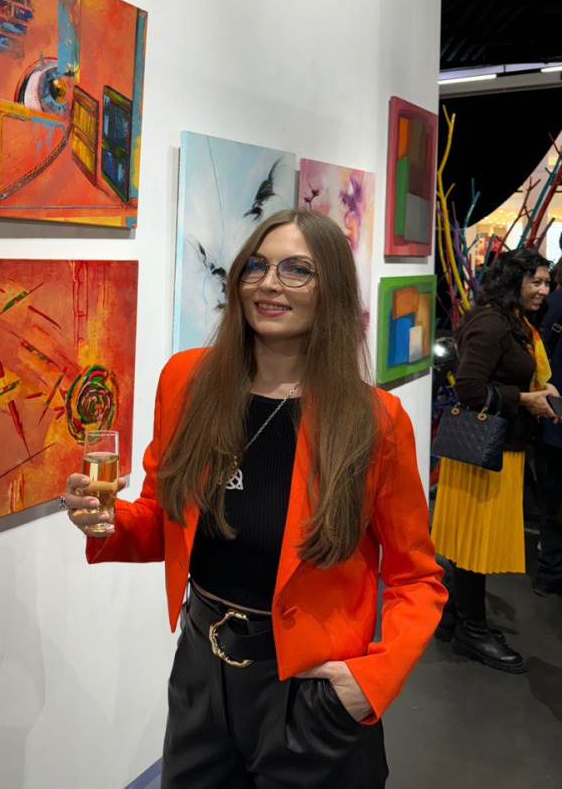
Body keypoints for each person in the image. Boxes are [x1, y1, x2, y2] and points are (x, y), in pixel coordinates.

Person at [63, 209, 445, 789]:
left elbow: (417, 579)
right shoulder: (187, 381)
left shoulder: (374, 422)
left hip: (310, 692)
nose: (269, 284)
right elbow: (163, 518)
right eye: (257, 267)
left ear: (332, 291)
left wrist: (369, 681)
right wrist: (105, 522)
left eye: (297, 270)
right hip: (201, 673)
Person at [432, 247, 557, 671]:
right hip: (484, 451)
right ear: (512, 282)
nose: (545, 289)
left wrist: (538, 394)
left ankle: (454, 617)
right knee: (474, 542)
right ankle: (472, 630)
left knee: (469, 540)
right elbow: (468, 389)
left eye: (547, 282)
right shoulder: (492, 324)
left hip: (496, 448)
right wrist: (524, 399)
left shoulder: (514, 322)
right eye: (536, 281)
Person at [535, 258, 562, 596]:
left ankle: (551, 572)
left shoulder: (550, 304)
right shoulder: (552, 303)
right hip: (552, 416)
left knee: (551, 502)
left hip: (552, 419)